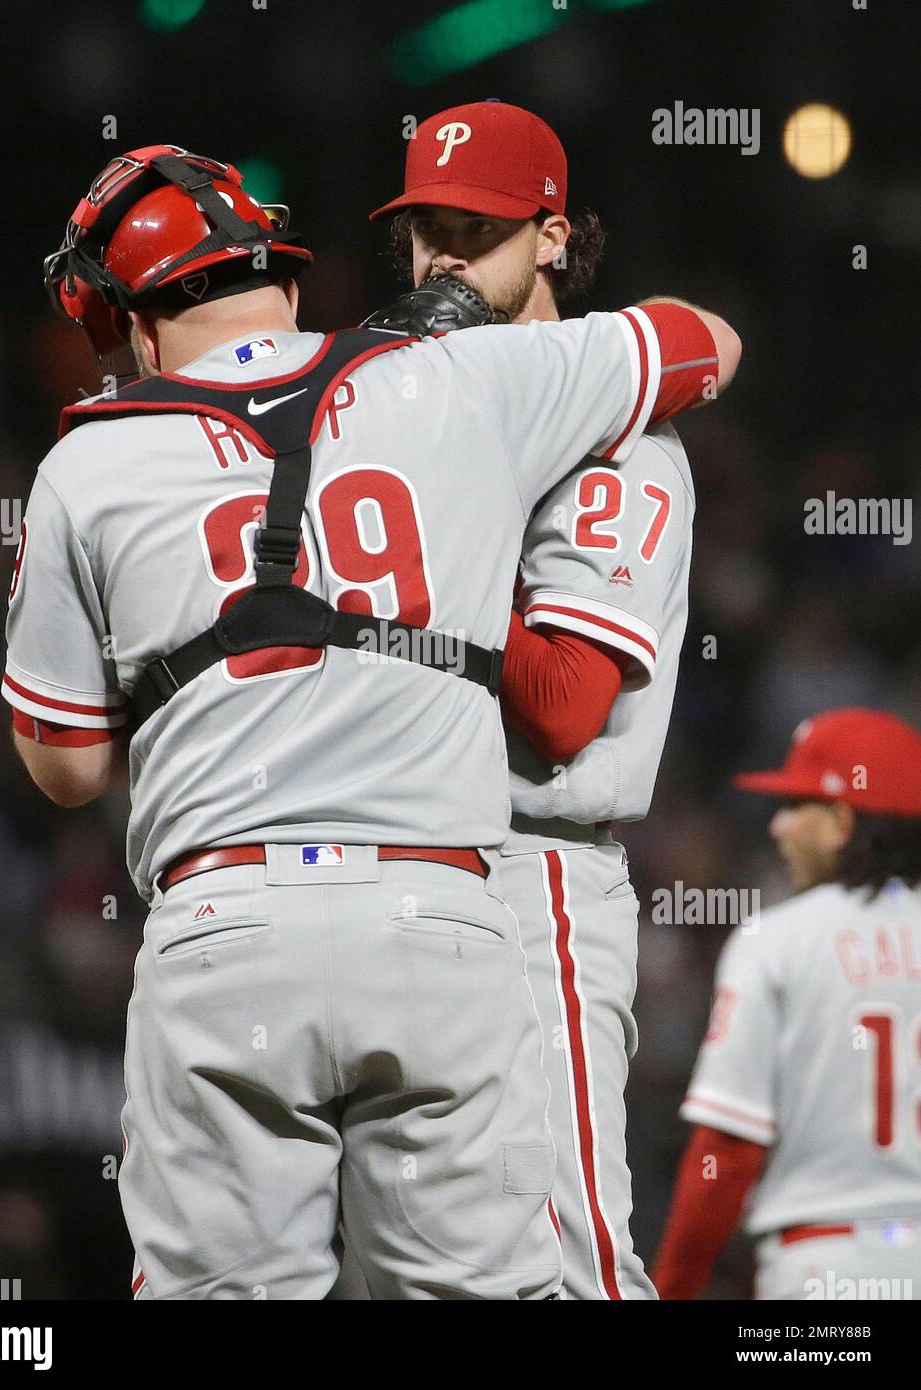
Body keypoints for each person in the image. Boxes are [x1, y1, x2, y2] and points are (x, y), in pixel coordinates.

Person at [6, 143, 739, 1299]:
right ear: (290, 281)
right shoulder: (450, 383)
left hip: (224, 924)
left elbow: (65, 767)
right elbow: (706, 340)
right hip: (444, 910)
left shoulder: (87, 464)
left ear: (130, 328)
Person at [368, 99, 710, 1298]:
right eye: (425, 231)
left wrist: (427, 556)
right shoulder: (400, 419)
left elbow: (565, 705)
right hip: (392, 863)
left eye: (480, 227)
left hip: (533, 871)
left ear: (555, 238)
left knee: (571, 1263)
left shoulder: (623, 441)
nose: (444, 257)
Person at [653, 709, 921, 1300]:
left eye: (796, 805)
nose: (778, 826)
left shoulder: (777, 938)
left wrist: (672, 1288)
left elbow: (726, 1151)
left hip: (826, 1267)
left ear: (842, 821)